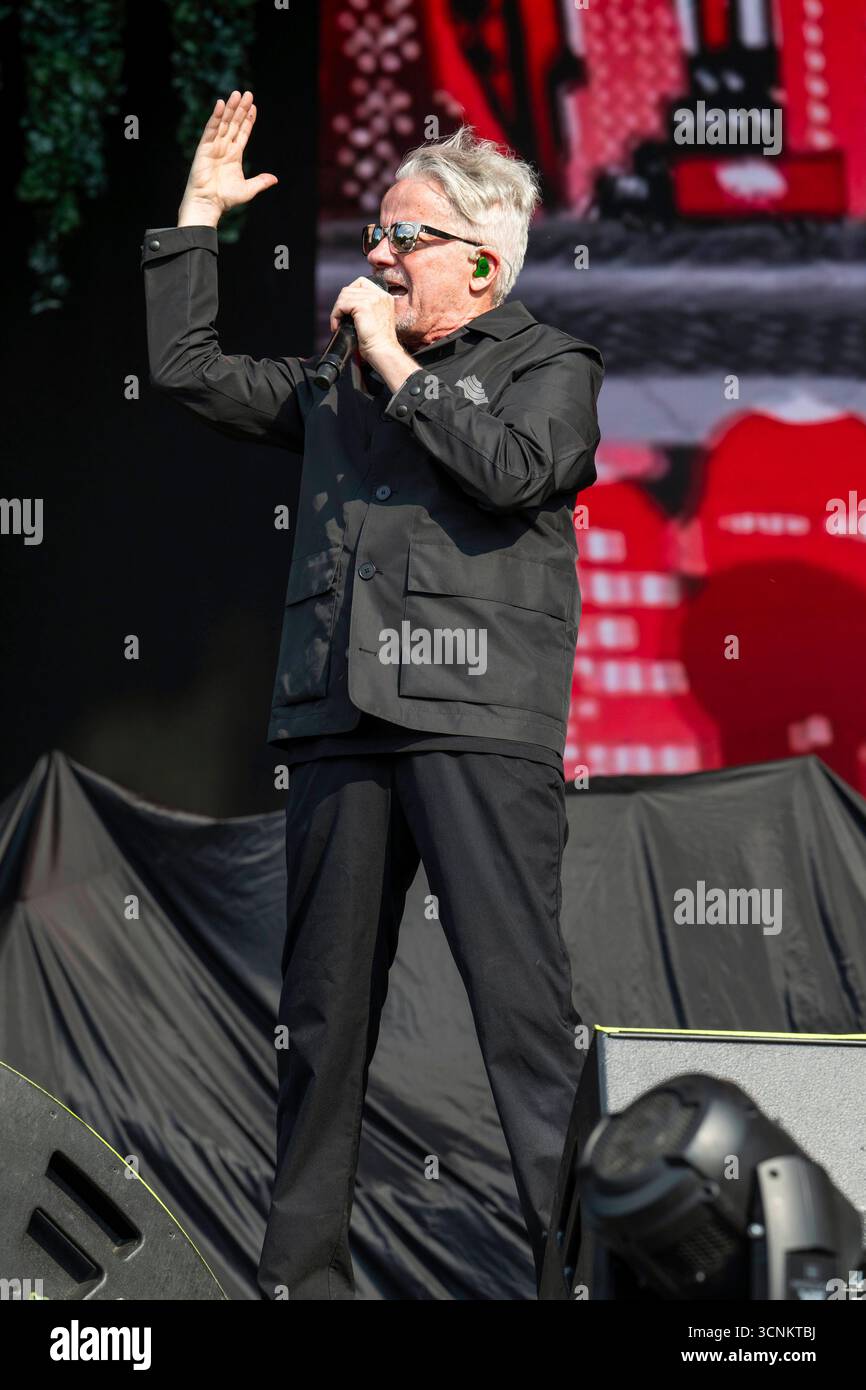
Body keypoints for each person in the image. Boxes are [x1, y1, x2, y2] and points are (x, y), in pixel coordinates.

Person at [142, 89, 604, 1300]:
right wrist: (196, 219)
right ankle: (303, 1281)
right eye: (379, 237)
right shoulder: (334, 379)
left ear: (483, 267)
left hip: (474, 724)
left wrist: (396, 364)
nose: (379, 256)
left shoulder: (549, 366)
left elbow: (515, 473)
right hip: (339, 725)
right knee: (320, 1021)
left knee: (519, 1015)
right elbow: (185, 369)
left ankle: (580, 1279)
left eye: (406, 238)